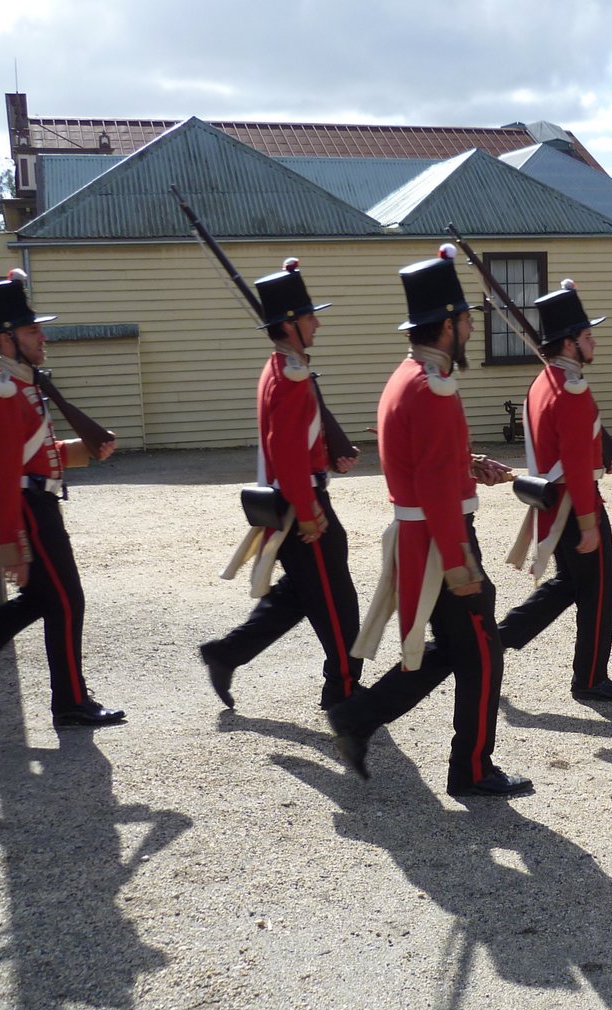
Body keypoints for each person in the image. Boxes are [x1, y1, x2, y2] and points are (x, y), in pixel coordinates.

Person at [330, 245, 531, 798]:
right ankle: (470, 769)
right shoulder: (434, 385)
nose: (470, 328)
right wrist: (461, 561)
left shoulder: (410, 375)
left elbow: (430, 459)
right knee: (483, 653)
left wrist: (472, 467)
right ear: (446, 325)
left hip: (424, 534)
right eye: (466, 320)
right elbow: (438, 486)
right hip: (443, 541)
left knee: (453, 648)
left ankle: (358, 718)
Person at [0, 269, 126, 728]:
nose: (43, 336)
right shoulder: (2, 389)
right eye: (34, 330)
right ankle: (70, 701)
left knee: (41, 602)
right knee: (67, 601)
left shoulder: (21, 383)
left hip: (39, 503)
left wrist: (79, 449)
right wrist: (12, 546)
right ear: (9, 338)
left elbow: (31, 453)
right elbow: (4, 473)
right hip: (29, 511)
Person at [199, 258, 363, 712]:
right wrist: (310, 512)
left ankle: (227, 652)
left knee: (301, 594)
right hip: (300, 503)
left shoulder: (288, 368)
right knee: (336, 600)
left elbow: (299, 439)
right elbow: (285, 451)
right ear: (289, 325)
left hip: (300, 496)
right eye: (309, 316)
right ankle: (343, 689)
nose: (317, 323)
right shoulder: (289, 375)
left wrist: (329, 454)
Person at [497, 279, 612, 703]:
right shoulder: (571, 387)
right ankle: (591, 678)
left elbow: (574, 444)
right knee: (598, 593)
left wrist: (604, 453)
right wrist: (588, 521)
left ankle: (496, 639)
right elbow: (575, 462)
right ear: (569, 343)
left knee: (568, 587)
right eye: (587, 336)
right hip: (576, 504)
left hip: (555, 501)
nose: (594, 341)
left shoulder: (546, 380)